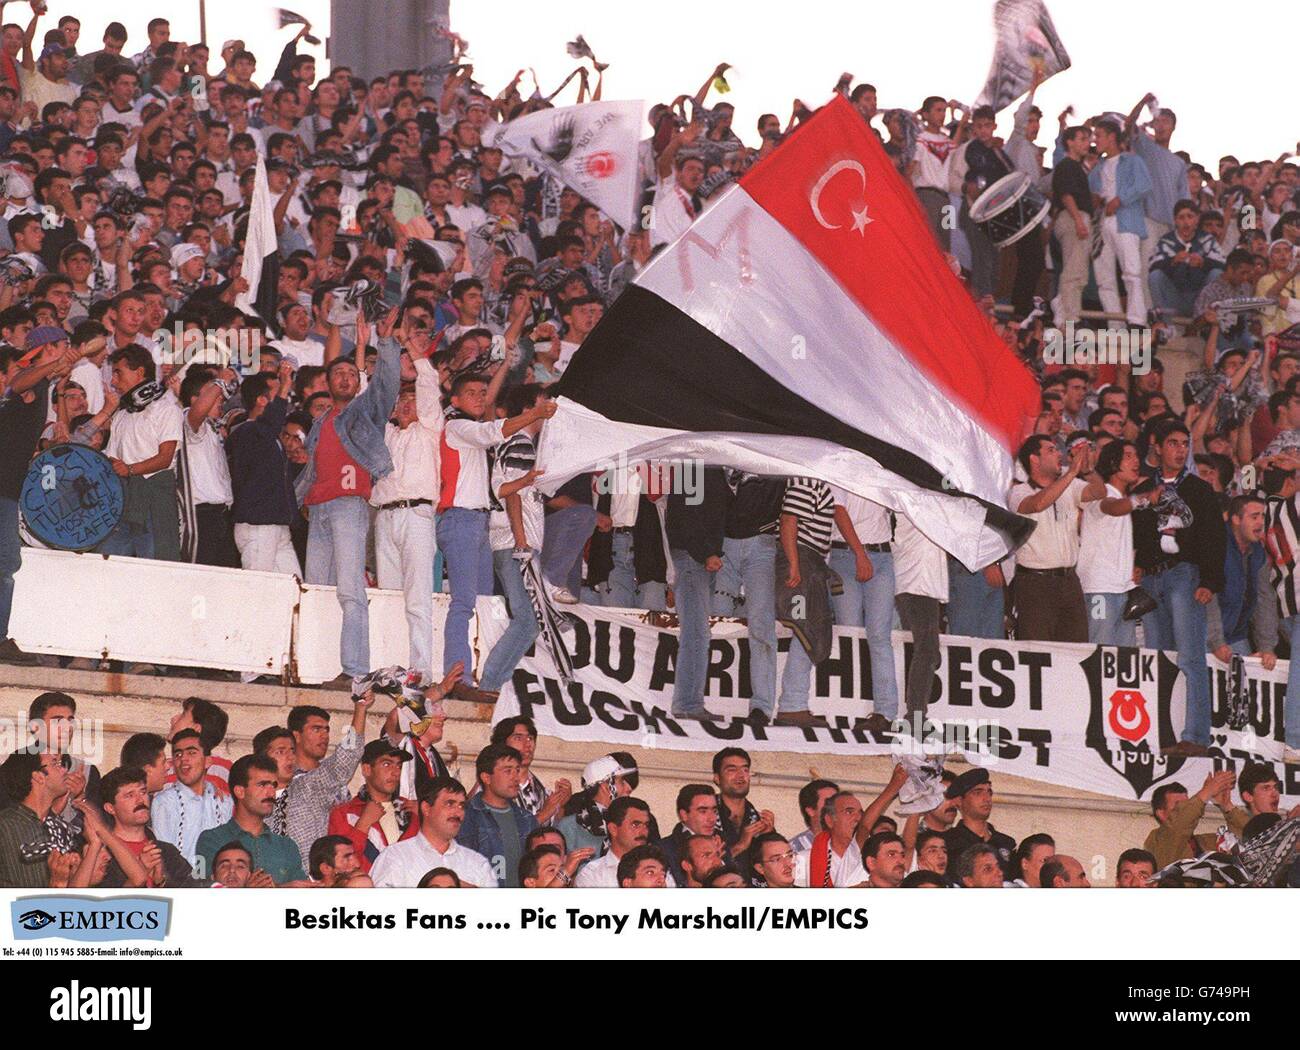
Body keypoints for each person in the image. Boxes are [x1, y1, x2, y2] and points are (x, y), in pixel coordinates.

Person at [296, 310, 401, 689]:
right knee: (316, 589)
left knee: (349, 590)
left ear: (358, 382)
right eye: (337, 374)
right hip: (319, 509)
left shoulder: (362, 413)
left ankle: (356, 671)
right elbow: (309, 470)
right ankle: (317, 668)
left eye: (351, 375)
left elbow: (386, 386)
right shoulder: (321, 421)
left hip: (349, 506)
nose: (344, 378)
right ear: (325, 382)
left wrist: (385, 342)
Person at [437, 369, 556, 700]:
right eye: (471, 393)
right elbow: (493, 430)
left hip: (479, 522)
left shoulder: (474, 433)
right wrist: (533, 413)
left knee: (484, 603)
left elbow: (500, 482)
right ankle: (457, 678)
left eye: (482, 392)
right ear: (455, 401)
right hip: (460, 518)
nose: (478, 397)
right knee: (464, 602)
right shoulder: (457, 427)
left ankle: (476, 679)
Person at [1133, 419, 1225, 756]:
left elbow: (1215, 537)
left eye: (1184, 444)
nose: (1180, 450)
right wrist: (1138, 561)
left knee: (1190, 656)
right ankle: (1164, 734)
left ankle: (1197, 737)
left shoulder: (1198, 489)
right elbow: (1139, 529)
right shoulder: (1144, 487)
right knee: (1161, 658)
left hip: (1184, 573)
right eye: (1173, 443)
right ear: (1157, 446)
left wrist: (1210, 581)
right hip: (1154, 575)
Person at [369, 323, 443, 682]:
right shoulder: (385, 433)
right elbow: (373, 397)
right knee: (387, 594)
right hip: (384, 516)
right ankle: (389, 665)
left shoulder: (429, 429)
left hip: (417, 514)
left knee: (417, 597)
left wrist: (415, 352)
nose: (408, 403)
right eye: (402, 400)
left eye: (412, 399)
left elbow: (429, 385)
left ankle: (421, 669)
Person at [478, 385, 550, 695]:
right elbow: (511, 493)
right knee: (527, 622)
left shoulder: (519, 444)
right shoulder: (520, 444)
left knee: (528, 621)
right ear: (530, 405)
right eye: (544, 399)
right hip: (513, 543)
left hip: (512, 542)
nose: (550, 406)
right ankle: (491, 684)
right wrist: (522, 541)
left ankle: (494, 685)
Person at [1010, 436, 1090, 642]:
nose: (1060, 454)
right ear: (1034, 459)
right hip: (1035, 583)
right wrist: (1072, 472)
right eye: (1051, 450)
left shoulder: (1069, 486)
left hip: (1069, 580)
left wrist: (1089, 470)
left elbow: (1099, 492)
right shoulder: (1018, 492)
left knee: (1076, 649)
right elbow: (1037, 505)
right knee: (1038, 650)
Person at [828, 487, 896, 729]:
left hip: (882, 552)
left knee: (879, 636)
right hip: (847, 554)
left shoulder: (883, 468)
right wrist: (859, 553)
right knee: (850, 633)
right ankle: (852, 707)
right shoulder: (843, 462)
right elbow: (838, 509)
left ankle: (885, 712)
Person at [281, 698, 370, 868]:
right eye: (316, 729)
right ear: (296, 735)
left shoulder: (335, 779)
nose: (324, 735)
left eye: (326, 730)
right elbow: (345, 759)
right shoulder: (290, 782)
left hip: (340, 870)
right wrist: (360, 709)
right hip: (305, 873)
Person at [194, 755, 308, 886]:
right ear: (240, 792)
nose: (271, 793)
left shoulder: (287, 846)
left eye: (273, 785)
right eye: (262, 785)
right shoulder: (210, 840)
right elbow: (200, 889)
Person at [370, 777, 496, 888]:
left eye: (462, 806)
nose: (458, 813)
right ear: (426, 808)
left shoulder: (477, 863)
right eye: (450, 804)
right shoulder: (395, 857)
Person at [1078, 440, 1146, 645]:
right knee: (1100, 648)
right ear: (1113, 462)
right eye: (1128, 456)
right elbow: (1113, 507)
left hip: (1123, 588)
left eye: (1136, 456)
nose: (1136, 461)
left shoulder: (1121, 496)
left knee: (1124, 655)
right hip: (1099, 589)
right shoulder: (1101, 493)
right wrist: (1143, 499)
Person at [1089, 119, 1152, 328]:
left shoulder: (1132, 161)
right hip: (1102, 223)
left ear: (1111, 137)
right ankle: (1115, 324)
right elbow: (1092, 193)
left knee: (1131, 271)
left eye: (1099, 135)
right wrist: (1096, 199)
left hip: (1125, 220)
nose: (1095, 140)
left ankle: (1136, 320)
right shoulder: (1097, 168)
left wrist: (1120, 199)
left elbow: (1144, 185)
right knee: (1103, 276)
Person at [326, 739, 419, 874]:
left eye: (399, 766)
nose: (395, 772)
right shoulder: (344, 813)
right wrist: (363, 824)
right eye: (387, 764)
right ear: (367, 769)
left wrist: (423, 819)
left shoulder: (412, 809)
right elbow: (339, 867)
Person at [1206, 496, 1277, 668]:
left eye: (1263, 517)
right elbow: (1209, 598)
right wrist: (1217, 642)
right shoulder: (1215, 545)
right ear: (1236, 520)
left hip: (1236, 636)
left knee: (1244, 688)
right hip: (1205, 635)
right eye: (1254, 517)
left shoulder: (1259, 553)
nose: (1260, 523)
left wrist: (1267, 647)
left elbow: (1264, 600)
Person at [457, 743, 538, 887]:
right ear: (486, 778)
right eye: (508, 771)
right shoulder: (467, 816)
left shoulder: (527, 819)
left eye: (517, 770)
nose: (515, 777)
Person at [150, 728, 233, 866]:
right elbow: (165, 857)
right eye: (178, 754)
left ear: (207, 761)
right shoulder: (164, 802)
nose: (183, 759)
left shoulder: (223, 801)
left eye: (191, 752)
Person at [1143, 772, 1250, 869]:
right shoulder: (1158, 840)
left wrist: (1226, 805)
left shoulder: (1206, 841)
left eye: (1187, 804)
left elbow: (1252, 838)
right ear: (1161, 814)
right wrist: (1207, 791)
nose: (1186, 809)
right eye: (1179, 807)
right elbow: (1178, 825)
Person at [574, 796, 674, 887]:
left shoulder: (661, 874)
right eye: (635, 825)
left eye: (646, 825)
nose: (644, 832)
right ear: (613, 829)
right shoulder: (593, 875)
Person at [1051, 125, 1095, 325]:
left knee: (1078, 270)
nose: (1087, 143)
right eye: (1082, 139)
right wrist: (1078, 220)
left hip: (1075, 217)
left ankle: (1065, 312)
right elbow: (1066, 194)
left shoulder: (1077, 167)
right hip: (1072, 217)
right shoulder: (1067, 165)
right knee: (1074, 270)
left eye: (1088, 139)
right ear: (1070, 142)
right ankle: (1070, 317)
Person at [942, 769, 1017, 878]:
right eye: (978, 793)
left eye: (989, 792)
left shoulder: (1006, 843)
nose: (987, 799)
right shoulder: (948, 844)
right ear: (958, 801)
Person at [794, 791, 867, 887]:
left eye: (861, 813)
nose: (858, 818)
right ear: (829, 820)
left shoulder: (873, 858)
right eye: (849, 812)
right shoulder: (802, 859)